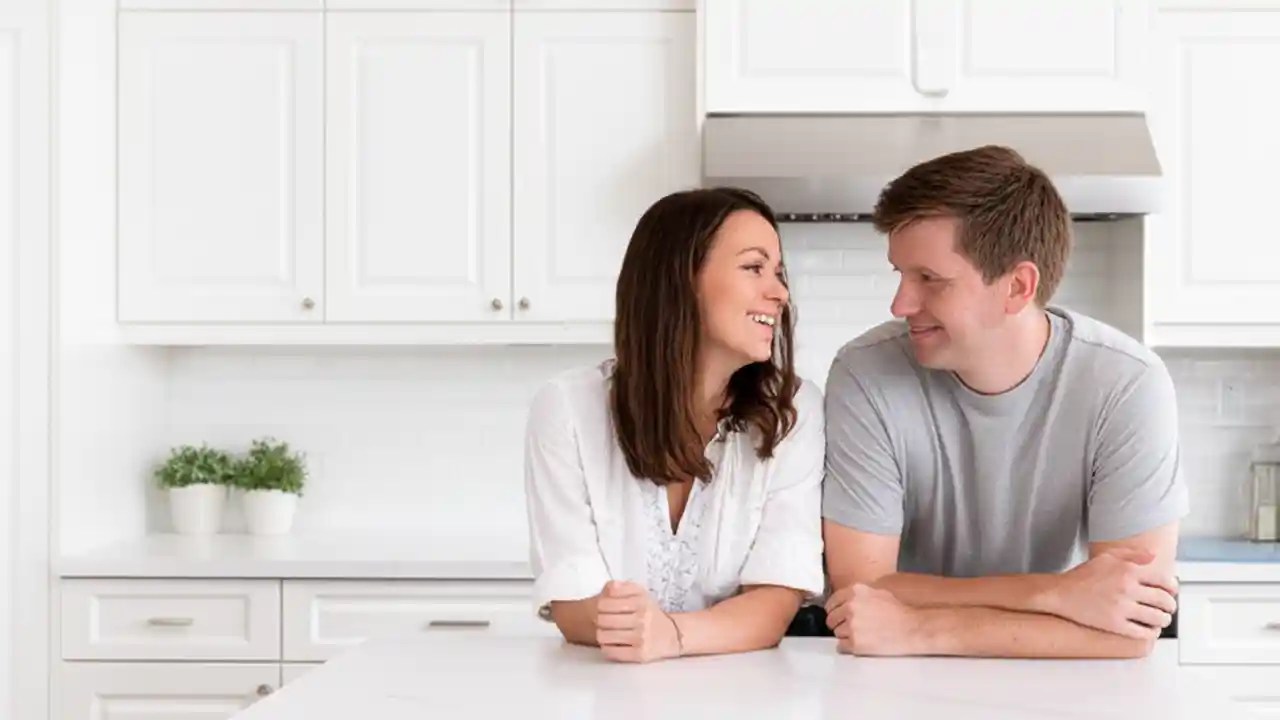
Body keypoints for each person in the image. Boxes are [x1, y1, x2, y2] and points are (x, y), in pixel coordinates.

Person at [821, 145, 1189, 659]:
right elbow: (860, 594)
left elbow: (1130, 628)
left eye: (930, 279)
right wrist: (1057, 595)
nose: (901, 303)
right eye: (900, 275)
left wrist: (921, 630)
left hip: (1054, 686)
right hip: (895, 680)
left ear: (1017, 286)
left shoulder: (1127, 384)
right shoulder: (866, 375)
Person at [524, 187, 825, 663]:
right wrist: (633, 628)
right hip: (611, 690)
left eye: (778, 272)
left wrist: (671, 636)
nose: (780, 292)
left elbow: (773, 604)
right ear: (680, 280)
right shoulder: (565, 409)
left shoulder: (794, 412)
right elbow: (571, 602)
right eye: (754, 268)